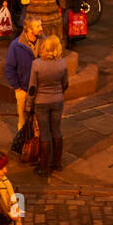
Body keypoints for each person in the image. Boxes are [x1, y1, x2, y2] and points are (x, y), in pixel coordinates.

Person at [26, 35, 69, 176]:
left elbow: (32, 87)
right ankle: (57, 163)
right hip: (57, 101)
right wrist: (58, 93)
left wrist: (28, 105)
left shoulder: (37, 64)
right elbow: (65, 84)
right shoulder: (62, 63)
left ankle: (44, 167)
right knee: (56, 130)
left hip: (41, 102)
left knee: (45, 133)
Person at [4, 17, 42, 130]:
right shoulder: (16, 46)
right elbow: (9, 68)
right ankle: (23, 144)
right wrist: (17, 88)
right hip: (24, 89)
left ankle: (38, 144)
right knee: (23, 121)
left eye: (41, 25)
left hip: (40, 89)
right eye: (38, 26)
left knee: (40, 121)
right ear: (29, 29)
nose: (41, 28)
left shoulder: (44, 41)